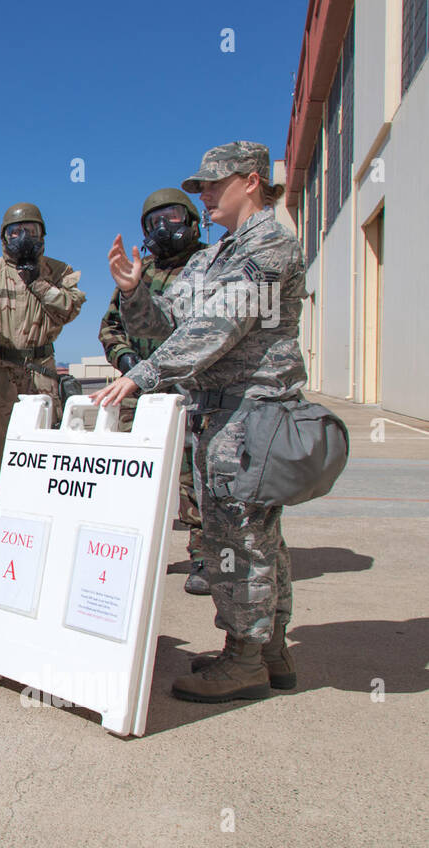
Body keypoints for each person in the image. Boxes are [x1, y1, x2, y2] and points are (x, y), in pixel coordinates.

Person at [93, 141, 305, 703]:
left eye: (213, 184)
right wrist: (135, 290)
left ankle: (245, 659)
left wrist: (145, 374)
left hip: (253, 413)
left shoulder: (269, 248)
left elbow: (218, 325)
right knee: (254, 534)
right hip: (223, 415)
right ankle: (269, 650)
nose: (204, 195)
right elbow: (170, 320)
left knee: (240, 537)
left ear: (252, 181)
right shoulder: (218, 255)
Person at [98, 188, 210, 595]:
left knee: (193, 475)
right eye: (153, 221)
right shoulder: (137, 272)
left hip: (189, 391)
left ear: (193, 221)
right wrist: (127, 361)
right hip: (138, 393)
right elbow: (110, 327)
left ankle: (205, 555)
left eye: (173, 218)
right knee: (132, 477)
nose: (164, 227)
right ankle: (134, 554)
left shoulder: (209, 267)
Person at [0, 203, 86, 546]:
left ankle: (40, 518)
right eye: (14, 232)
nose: (22, 238)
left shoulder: (60, 271)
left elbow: (68, 309)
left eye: (30, 232)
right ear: (3, 236)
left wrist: (38, 281)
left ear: (42, 235)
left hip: (40, 371)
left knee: (42, 447)